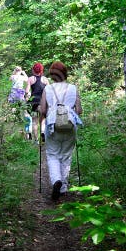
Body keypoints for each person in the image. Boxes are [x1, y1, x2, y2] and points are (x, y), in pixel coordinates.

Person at [38, 61, 82, 202]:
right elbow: (79, 110)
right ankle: (62, 188)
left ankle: (56, 180)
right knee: (66, 156)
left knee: (53, 155)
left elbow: (43, 110)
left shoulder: (48, 89)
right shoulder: (73, 88)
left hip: (53, 126)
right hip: (69, 125)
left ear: (52, 75)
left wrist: (40, 122)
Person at [27, 62, 49, 142]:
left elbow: (27, 91)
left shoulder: (30, 79)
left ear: (33, 70)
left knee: (34, 121)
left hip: (33, 103)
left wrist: (26, 97)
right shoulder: (45, 79)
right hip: (42, 103)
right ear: (41, 70)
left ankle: (36, 140)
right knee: (43, 121)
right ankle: (42, 132)